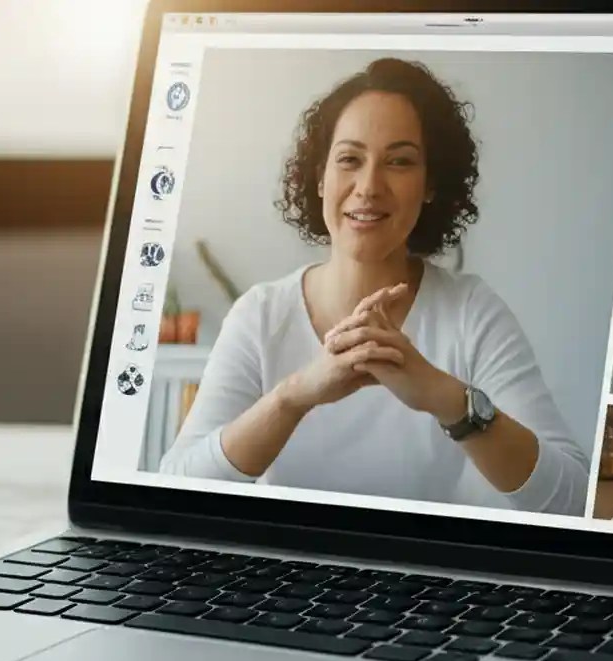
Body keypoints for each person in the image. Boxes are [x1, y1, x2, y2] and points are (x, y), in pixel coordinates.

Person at [159, 58, 588, 515]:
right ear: (320, 177)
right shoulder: (260, 315)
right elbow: (173, 489)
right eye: (349, 159)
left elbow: (574, 499)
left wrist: (444, 396)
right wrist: (293, 397)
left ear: (431, 184)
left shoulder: (470, 311)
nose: (368, 186)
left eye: (399, 161)